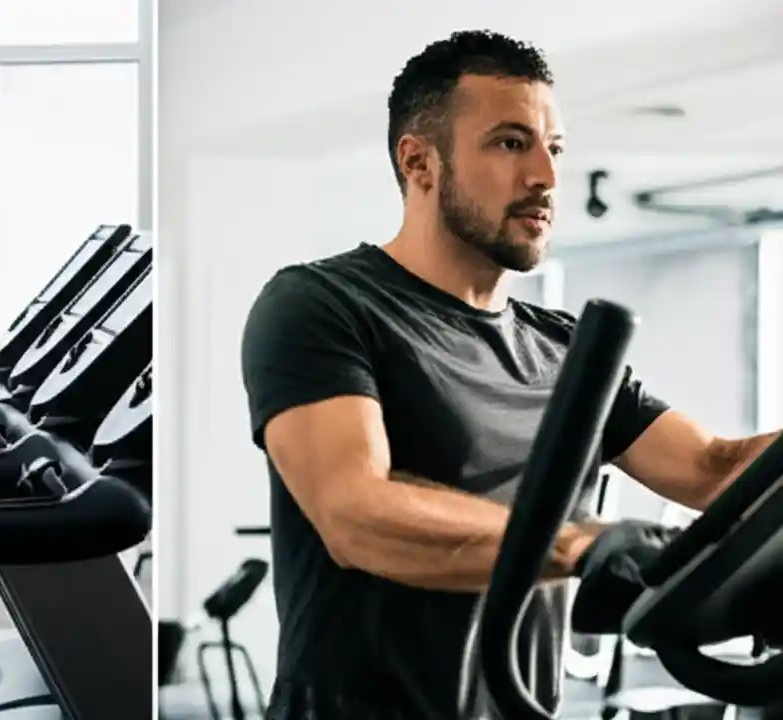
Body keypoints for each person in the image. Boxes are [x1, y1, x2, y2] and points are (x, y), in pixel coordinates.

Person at [239, 29, 779, 719]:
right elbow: (354, 513)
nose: (546, 179)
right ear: (419, 162)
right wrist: (579, 545)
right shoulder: (323, 305)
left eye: (553, 149)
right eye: (509, 142)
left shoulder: (567, 348)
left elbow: (712, 468)